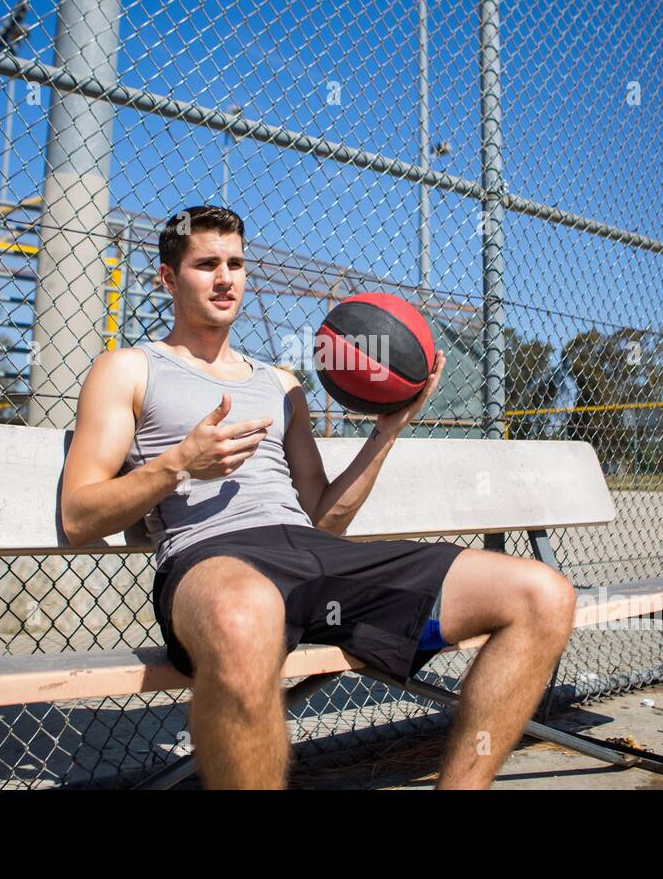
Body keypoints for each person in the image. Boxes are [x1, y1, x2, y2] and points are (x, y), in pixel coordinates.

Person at [61, 205, 576, 789]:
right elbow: (79, 516)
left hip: (312, 558)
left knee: (543, 595)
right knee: (243, 615)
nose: (226, 278)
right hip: (211, 559)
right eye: (207, 264)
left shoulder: (280, 384)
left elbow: (324, 519)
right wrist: (179, 464)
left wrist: (389, 430)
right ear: (167, 277)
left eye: (235, 263)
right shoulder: (128, 369)